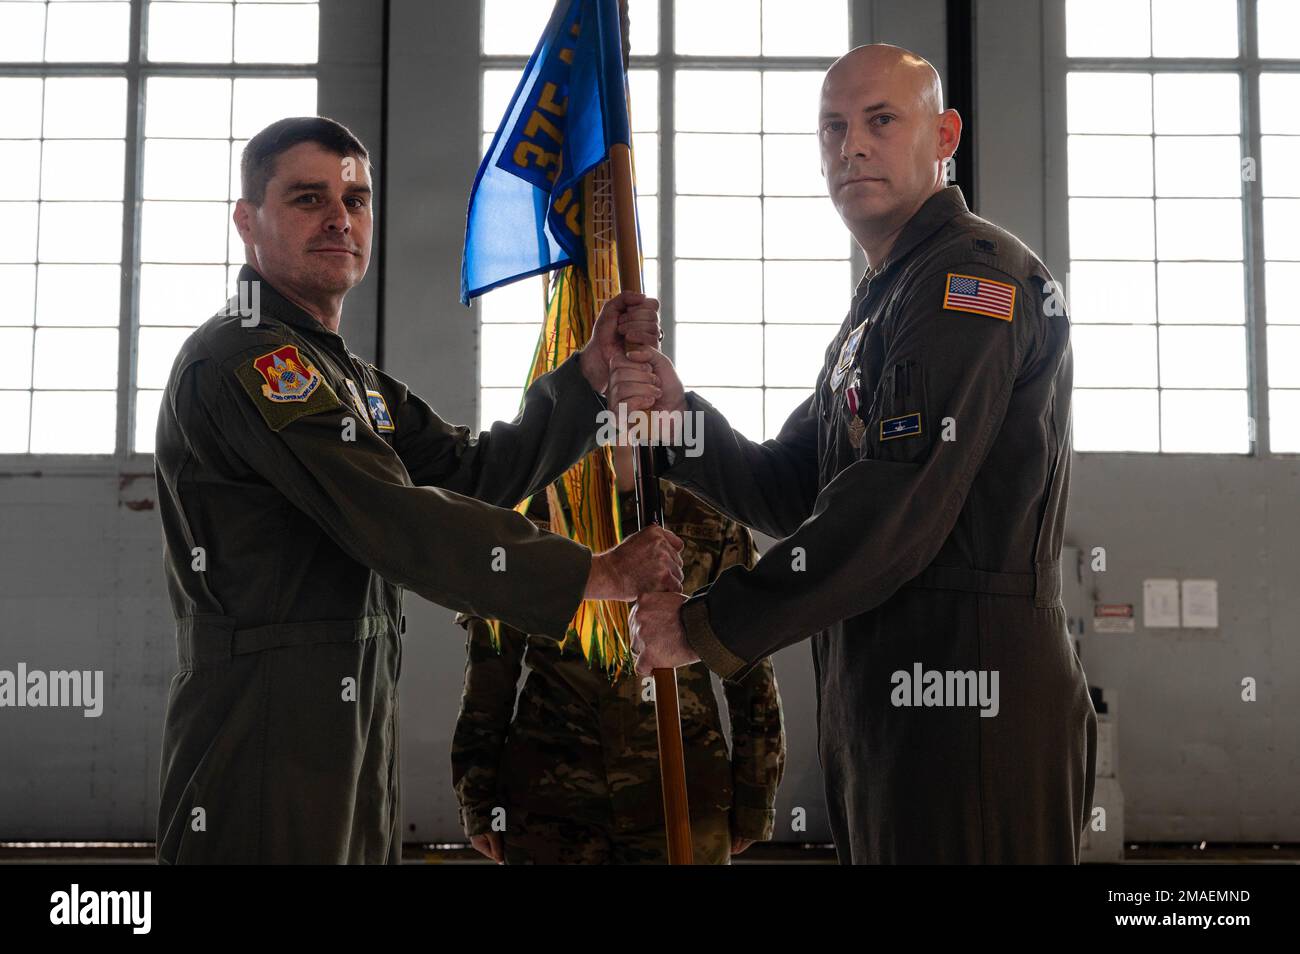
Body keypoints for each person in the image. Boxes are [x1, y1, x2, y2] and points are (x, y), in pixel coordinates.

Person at [614, 45, 1097, 863]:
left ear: (944, 135)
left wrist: (706, 624)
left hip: (969, 695)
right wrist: (676, 422)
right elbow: (792, 485)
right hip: (886, 702)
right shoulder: (882, 304)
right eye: (832, 128)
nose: (852, 147)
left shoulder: (969, 283)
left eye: (881, 121)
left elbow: (893, 507)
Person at [153, 116, 681, 864]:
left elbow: (471, 472)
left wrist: (587, 378)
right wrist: (591, 573)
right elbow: (391, 514)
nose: (340, 217)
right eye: (308, 198)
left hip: (351, 708)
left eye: (356, 200)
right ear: (247, 221)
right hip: (265, 717)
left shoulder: (346, 377)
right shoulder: (248, 361)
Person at [451, 444, 786, 864]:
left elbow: (748, 665)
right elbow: (490, 668)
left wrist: (756, 794)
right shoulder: (529, 511)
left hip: (683, 796)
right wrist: (477, 796)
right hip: (551, 800)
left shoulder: (707, 510)